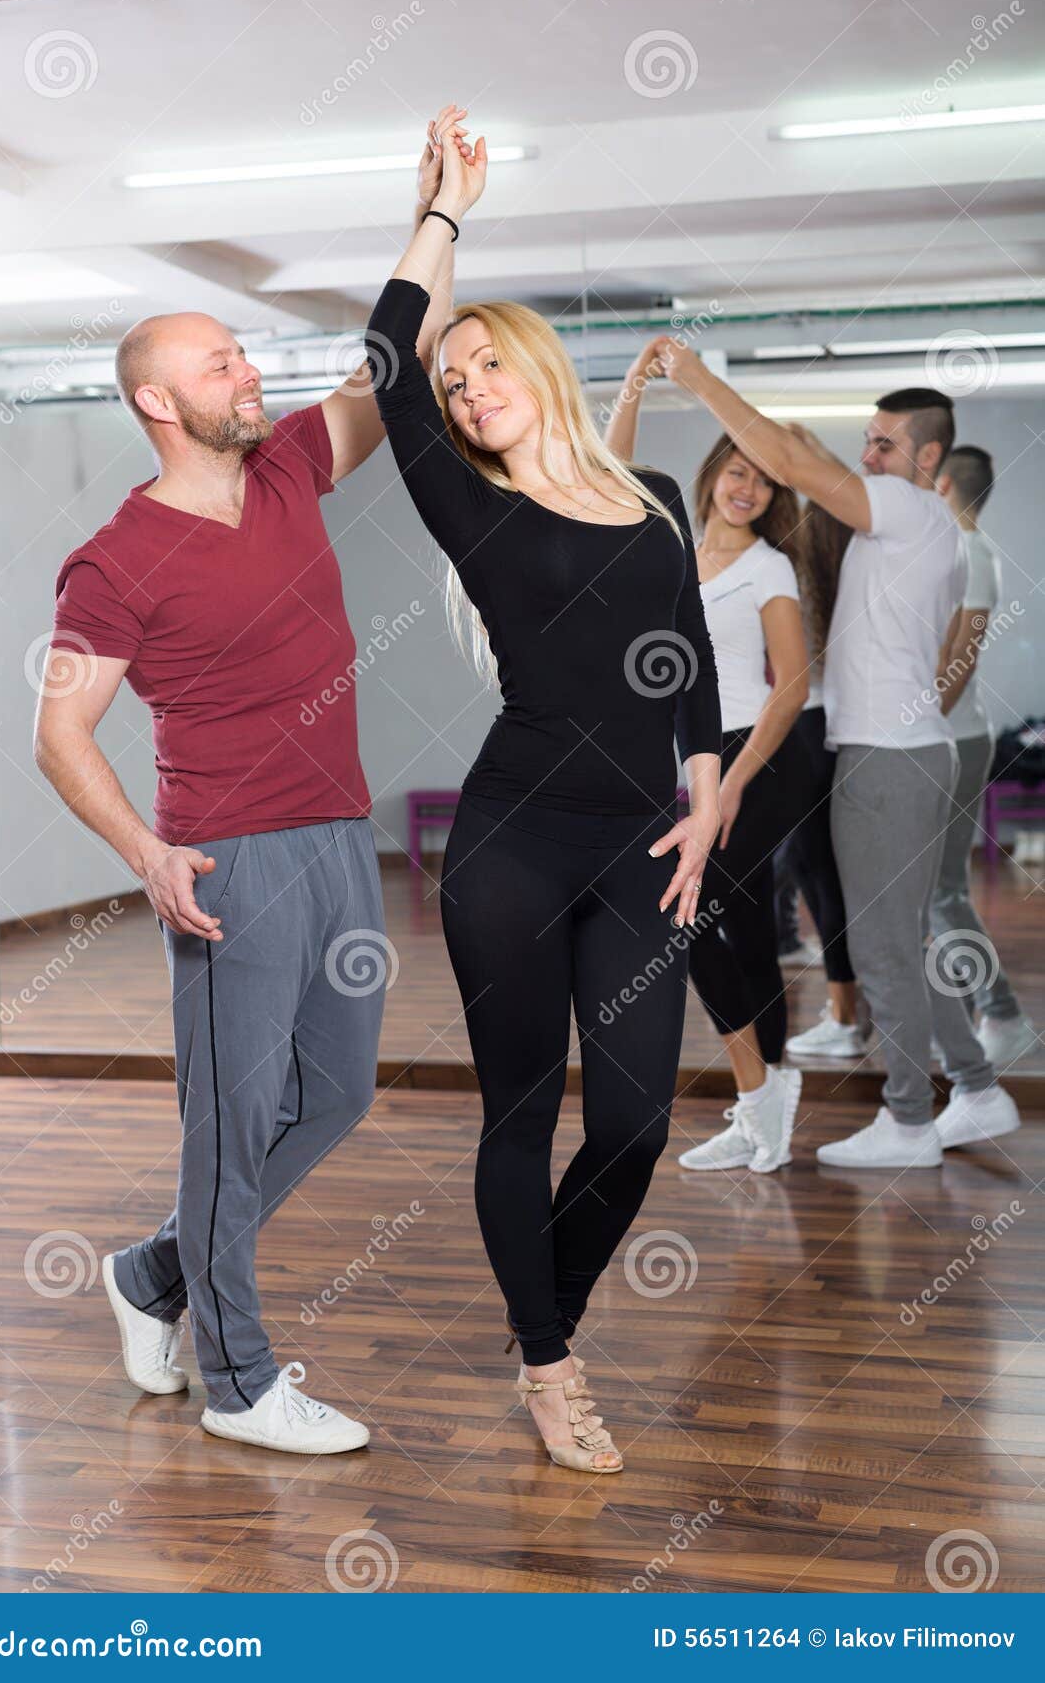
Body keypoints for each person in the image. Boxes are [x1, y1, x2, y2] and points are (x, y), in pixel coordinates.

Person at [34, 107, 468, 1455]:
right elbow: (59, 735)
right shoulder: (112, 564)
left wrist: (439, 217)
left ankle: (152, 1271)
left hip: (336, 830)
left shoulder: (285, 470)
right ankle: (235, 1382)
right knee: (226, 1127)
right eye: (218, 362)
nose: (244, 372)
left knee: (333, 1092)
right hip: (228, 854)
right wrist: (147, 857)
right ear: (160, 400)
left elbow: (386, 369)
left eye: (239, 354)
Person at [365, 121, 722, 1473]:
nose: (462, 389)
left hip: (644, 843)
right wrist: (440, 217)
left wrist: (704, 793)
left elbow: (684, 661)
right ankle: (553, 1361)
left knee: (631, 1119)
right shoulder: (475, 509)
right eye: (454, 381)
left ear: (536, 365)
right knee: (520, 1111)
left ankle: (536, 1322)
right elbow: (387, 363)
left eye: (485, 363)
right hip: (512, 841)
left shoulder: (650, 500)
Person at [650, 347, 1020, 1166]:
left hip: (886, 759)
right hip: (896, 752)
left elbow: (789, 461)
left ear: (925, 458)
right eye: (866, 439)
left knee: (885, 943)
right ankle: (975, 1087)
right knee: (906, 930)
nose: (867, 455)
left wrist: (692, 374)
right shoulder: (905, 524)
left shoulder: (903, 506)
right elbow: (795, 466)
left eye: (883, 443)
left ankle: (908, 1122)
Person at [608, 358, 808, 1170]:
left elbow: (789, 685)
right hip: (693, 760)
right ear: (712, 475)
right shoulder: (670, 550)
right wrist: (630, 388)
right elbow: (612, 473)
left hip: (755, 757)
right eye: (736, 471)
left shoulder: (770, 566)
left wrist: (726, 783)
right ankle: (769, 1099)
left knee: (686, 917)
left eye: (762, 482)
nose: (746, 489)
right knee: (742, 929)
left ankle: (761, 1095)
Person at [932, 445, 1037, 1068]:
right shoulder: (955, 551)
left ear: (943, 482)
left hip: (954, 740)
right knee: (934, 895)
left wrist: (920, 725)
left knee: (942, 893)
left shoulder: (970, 553)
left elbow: (960, 664)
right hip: (947, 737)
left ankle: (1000, 1013)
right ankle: (985, 1015)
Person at [783, 474, 868, 1059]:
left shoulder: (804, 581)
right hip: (832, 732)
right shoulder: (853, 581)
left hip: (807, 729)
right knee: (817, 870)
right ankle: (848, 1008)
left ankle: (846, 1014)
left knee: (817, 872)